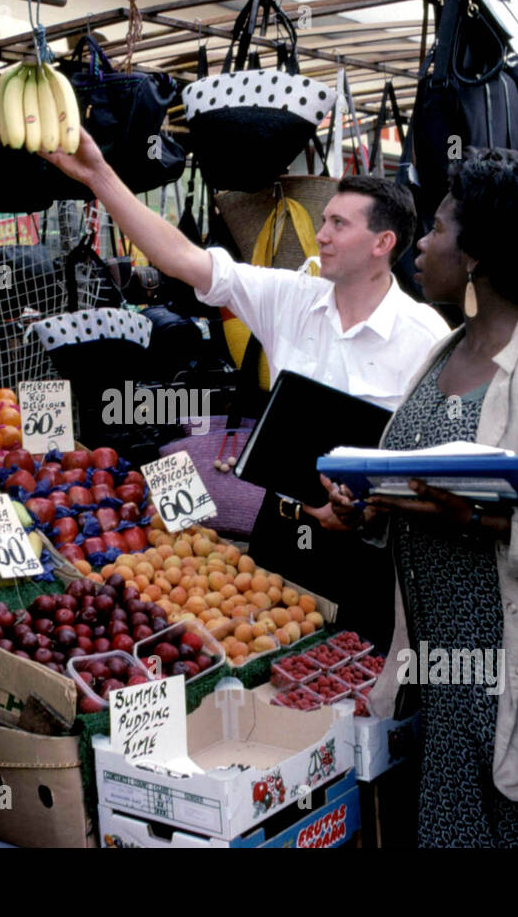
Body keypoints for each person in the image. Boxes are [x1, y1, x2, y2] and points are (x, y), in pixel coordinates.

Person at [327, 148, 518, 847]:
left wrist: (486, 519)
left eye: (436, 229)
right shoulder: (442, 356)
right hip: (450, 687)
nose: (419, 246)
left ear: (476, 255)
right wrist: (368, 506)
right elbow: (415, 485)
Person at [43, 131, 450, 642]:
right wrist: (99, 175)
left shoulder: (425, 337)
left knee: (356, 679)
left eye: (338, 224)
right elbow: (182, 259)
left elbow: (433, 461)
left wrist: (367, 512)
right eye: (324, 220)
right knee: (269, 668)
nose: (321, 235)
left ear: (382, 243)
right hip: (281, 531)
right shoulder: (291, 298)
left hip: (370, 550)